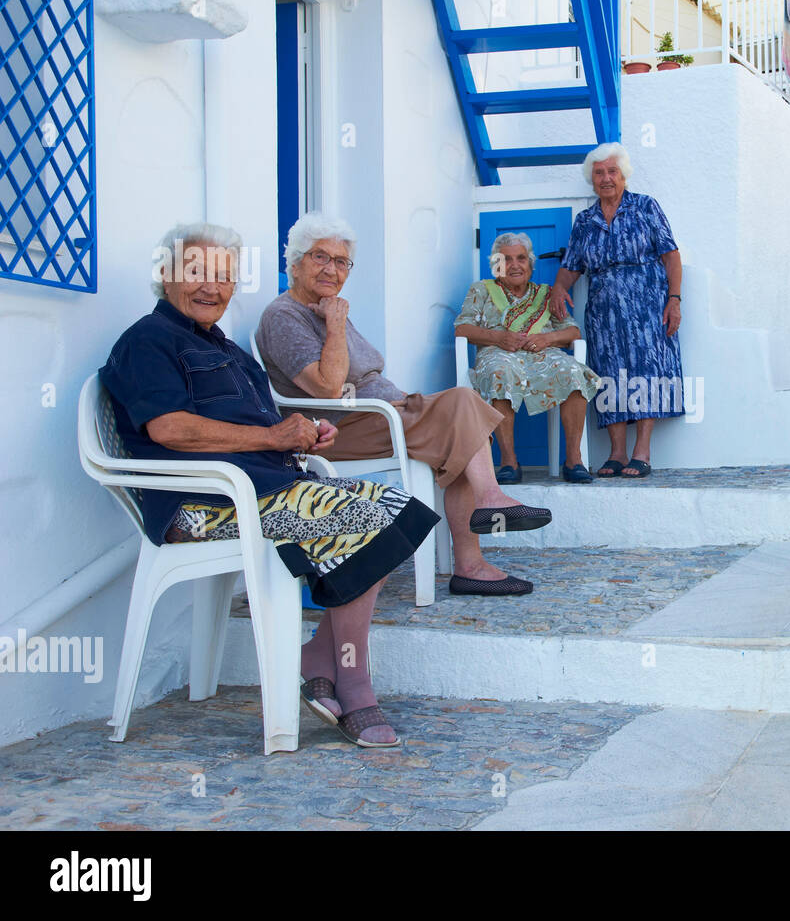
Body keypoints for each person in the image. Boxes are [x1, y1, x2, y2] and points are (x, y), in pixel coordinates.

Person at [100, 222, 431, 748]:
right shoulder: (148, 341)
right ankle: (354, 682)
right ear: (165, 275)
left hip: (267, 489)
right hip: (203, 506)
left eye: (224, 277)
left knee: (401, 510)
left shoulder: (228, 350)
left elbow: (258, 430)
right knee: (368, 517)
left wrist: (299, 437)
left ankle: (322, 656)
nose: (212, 287)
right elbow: (170, 428)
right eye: (198, 273)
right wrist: (273, 434)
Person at [256, 213, 551, 597]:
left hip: (381, 414)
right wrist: (335, 324)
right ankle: (488, 506)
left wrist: (336, 321)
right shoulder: (284, 315)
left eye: (341, 261)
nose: (332, 269)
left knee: (462, 429)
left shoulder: (327, 308)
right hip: (339, 428)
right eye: (320, 257)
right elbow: (328, 389)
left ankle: (471, 562)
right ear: (294, 263)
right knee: (462, 404)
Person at [549, 142, 684, 479]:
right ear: (592, 179)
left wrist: (675, 298)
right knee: (609, 374)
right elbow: (571, 266)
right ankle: (617, 452)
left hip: (647, 306)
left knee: (646, 371)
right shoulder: (585, 220)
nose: (606, 178)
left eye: (612, 171)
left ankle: (642, 452)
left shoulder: (645, 207)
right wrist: (559, 287)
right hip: (603, 312)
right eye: (599, 173)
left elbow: (671, 255)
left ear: (624, 175)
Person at [454, 232, 602, 484]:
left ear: (531, 264)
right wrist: (498, 337)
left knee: (573, 372)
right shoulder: (481, 290)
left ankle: (574, 460)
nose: (514, 265)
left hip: (543, 355)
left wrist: (548, 339)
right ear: (496, 265)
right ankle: (509, 462)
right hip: (499, 354)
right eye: (506, 259)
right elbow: (462, 329)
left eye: (521, 258)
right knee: (500, 373)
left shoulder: (545, 294)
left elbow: (572, 331)